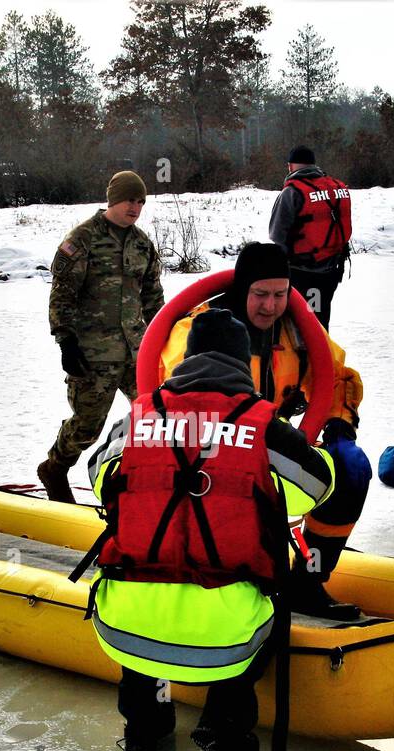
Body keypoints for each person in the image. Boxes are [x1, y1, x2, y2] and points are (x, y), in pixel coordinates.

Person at [86, 309, 336, 751]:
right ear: (244, 364)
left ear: (186, 358)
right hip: (221, 633)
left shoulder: (137, 417)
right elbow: (316, 490)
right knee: (265, 609)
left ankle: (144, 730)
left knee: (142, 597)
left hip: (124, 625)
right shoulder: (262, 425)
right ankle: (225, 727)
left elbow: (99, 480)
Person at [158, 242, 370, 620]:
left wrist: (338, 424)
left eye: (279, 295)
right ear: (243, 289)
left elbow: (337, 377)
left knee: (350, 466)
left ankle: (308, 578)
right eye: (260, 294)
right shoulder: (201, 329)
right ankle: (202, 580)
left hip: (270, 442)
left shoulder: (298, 332)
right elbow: (175, 397)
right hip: (204, 451)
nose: (270, 306)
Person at [37, 170, 165, 503]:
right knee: (87, 425)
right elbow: (62, 294)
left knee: (157, 417)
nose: (135, 208)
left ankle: (150, 481)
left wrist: (164, 336)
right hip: (93, 353)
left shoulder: (142, 244)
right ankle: (54, 468)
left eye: (140, 201)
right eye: (129, 200)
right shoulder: (82, 240)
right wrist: (65, 341)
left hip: (138, 351)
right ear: (113, 200)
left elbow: (152, 295)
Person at [268, 146, 352, 330]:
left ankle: (310, 358)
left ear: (290, 166)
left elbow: (276, 235)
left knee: (305, 325)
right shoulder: (337, 187)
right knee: (320, 319)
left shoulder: (292, 192)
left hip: (303, 272)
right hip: (332, 269)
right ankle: (322, 353)